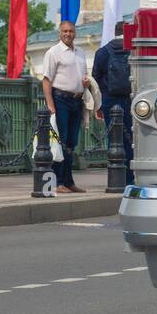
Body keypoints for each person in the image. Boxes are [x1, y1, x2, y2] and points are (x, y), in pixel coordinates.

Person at [41, 20, 92, 194]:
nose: (68, 34)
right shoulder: (53, 52)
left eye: (71, 31)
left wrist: (85, 82)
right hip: (60, 99)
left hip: (77, 100)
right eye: (65, 31)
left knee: (72, 142)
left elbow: (82, 76)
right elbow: (46, 80)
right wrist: (50, 104)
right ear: (60, 33)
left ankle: (69, 181)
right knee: (60, 142)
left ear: (74, 33)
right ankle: (58, 182)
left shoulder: (80, 52)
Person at [92, 20, 134, 187]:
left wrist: (99, 105)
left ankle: (115, 179)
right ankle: (130, 178)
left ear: (114, 32)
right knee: (131, 140)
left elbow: (95, 78)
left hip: (110, 101)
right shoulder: (133, 50)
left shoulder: (103, 52)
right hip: (130, 99)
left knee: (113, 140)